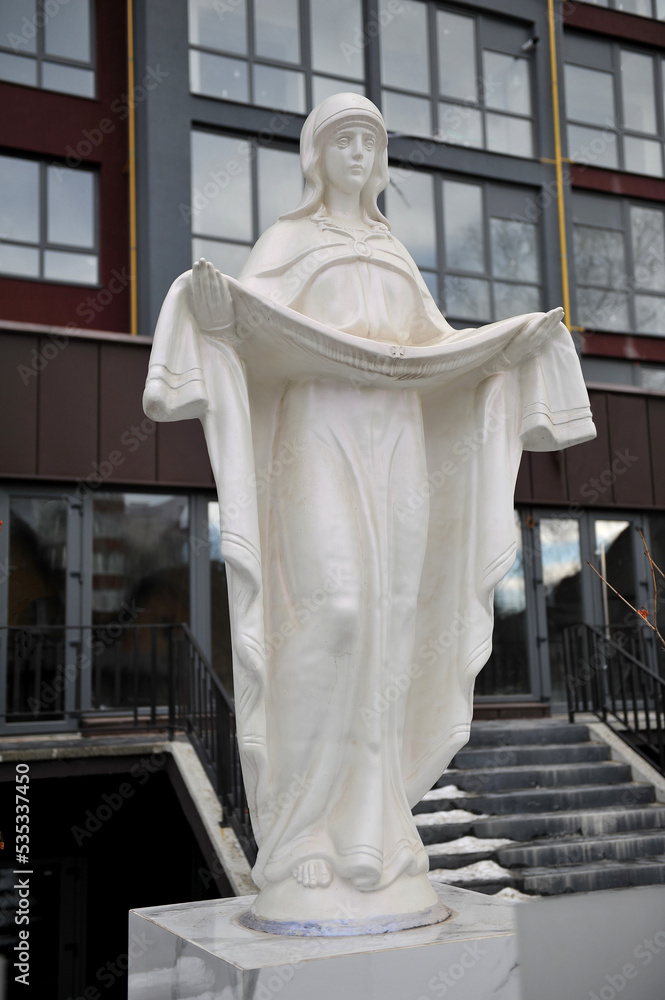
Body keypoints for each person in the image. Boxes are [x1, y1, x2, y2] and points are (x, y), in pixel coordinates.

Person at [144, 93, 595, 933]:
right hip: (317, 433)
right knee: (336, 612)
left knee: (392, 620)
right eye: (343, 138)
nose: (358, 151)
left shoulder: (392, 250)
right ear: (316, 157)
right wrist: (209, 310)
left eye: (370, 140)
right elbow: (244, 323)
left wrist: (513, 341)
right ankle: (297, 825)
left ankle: (373, 825)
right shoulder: (286, 243)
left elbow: (437, 352)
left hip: (397, 448)